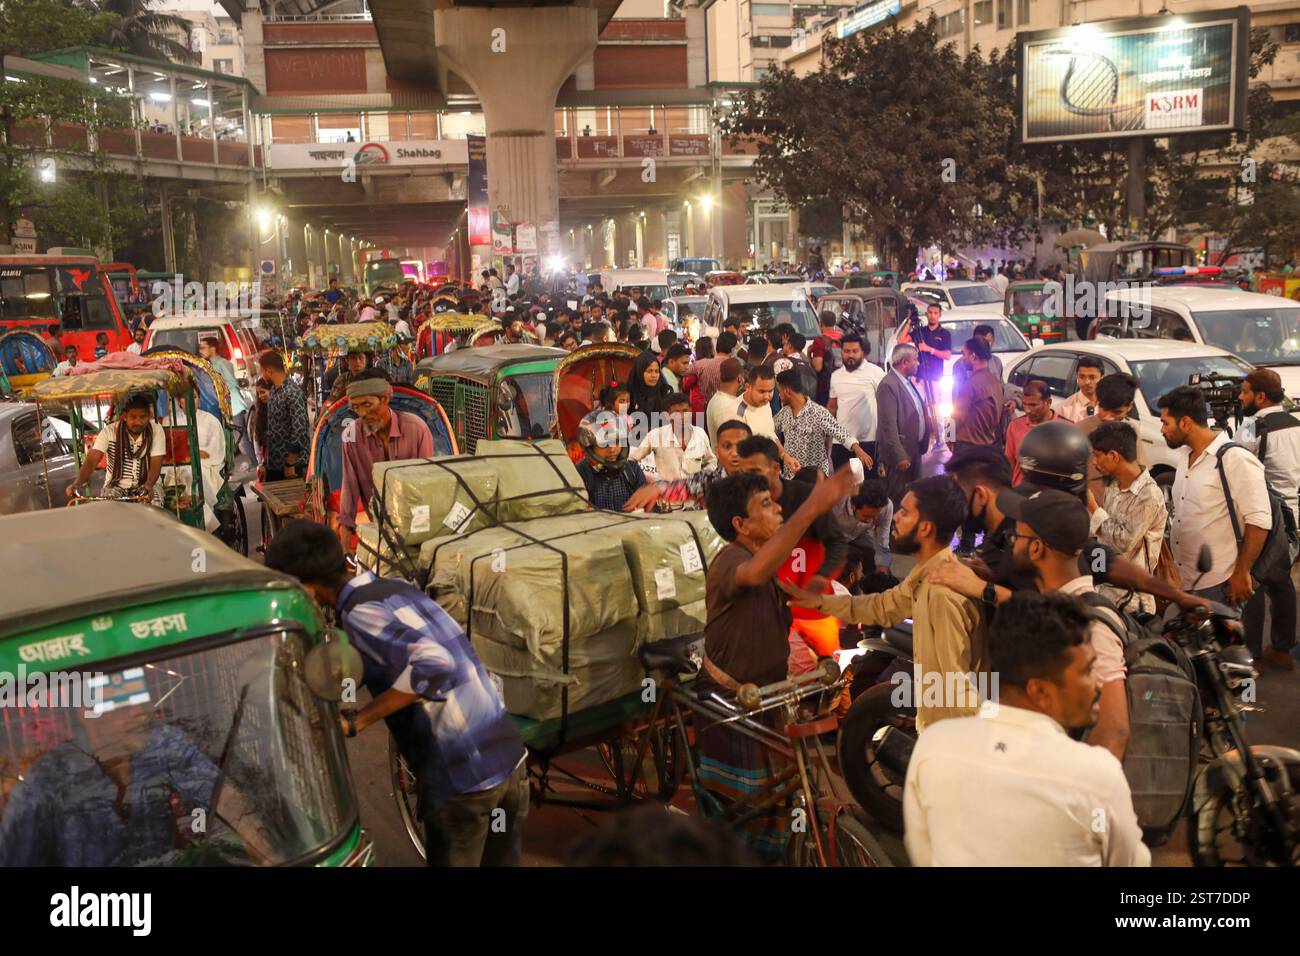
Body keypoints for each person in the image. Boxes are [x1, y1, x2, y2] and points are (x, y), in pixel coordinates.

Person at [264, 521, 528, 867]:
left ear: (305, 587)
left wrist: (359, 720)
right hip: (509, 758)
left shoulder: (360, 613)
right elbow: (383, 658)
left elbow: (434, 664)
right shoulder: (394, 587)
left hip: (465, 778)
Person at [903, 592, 1150, 867]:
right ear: (1040, 692)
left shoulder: (933, 745)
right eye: (1088, 670)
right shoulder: (1097, 775)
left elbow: (923, 852)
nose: (1099, 683)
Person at [697, 467, 856, 859]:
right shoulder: (732, 559)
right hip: (732, 704)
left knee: (780, 797)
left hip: (766, 699)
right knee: (743, 813)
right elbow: (753, 573)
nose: (779, 509)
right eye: (766, 505)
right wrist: (812, 507)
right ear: (741, 524)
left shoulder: (766, 560)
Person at [782, 475, 986, 731]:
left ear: (925, 528)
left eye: (904, 512)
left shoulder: (942, 593)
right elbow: (882, 606)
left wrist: (945, 743)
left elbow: (955, 685)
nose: (895, 518)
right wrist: (820, 601)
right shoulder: (928, 572)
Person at [993, 487, 1130, 761]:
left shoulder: (1091, 625)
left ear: (1036, 548)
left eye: (1015, 536)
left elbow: (1113, 731)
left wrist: (1070, 797)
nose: (1011, 544)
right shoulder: (1061, 608)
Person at [736, 435, 852, 669]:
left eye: (756, 472)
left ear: (776, 468)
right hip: (771, 611)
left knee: (833, 674)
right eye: (744, 473)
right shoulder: (743, 504)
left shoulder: (808, 497)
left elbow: (838, 542)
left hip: (814, 607)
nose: (750, 480)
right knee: (784, 677)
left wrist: (822, 576)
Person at [1160, 385, 1272, 605]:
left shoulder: (1236, 459)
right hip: (1184, 581)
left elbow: (1259, 521)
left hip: (1220, 584)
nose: (1162, 430)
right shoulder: (1185, 457)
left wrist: (1242, 571)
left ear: (1186, 423)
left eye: (1165, 423)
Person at [1235, 369, 1300, 668]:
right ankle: (1283, 647)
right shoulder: (1297, 424)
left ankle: (1252, 654)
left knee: (1253, 579)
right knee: (1282, 580)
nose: (1240, 397)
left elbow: (1237, 469)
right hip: (1294, 515)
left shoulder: (1251, 427)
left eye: (1245, 392)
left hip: (1266, 514)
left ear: (1260, 397)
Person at [337, 371, 436, 552]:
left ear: (385, 399)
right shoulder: (351, 436)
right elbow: (349, 491)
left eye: (368, 404)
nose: (363, 413)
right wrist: (343, 549)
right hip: (380, 530)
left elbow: (426, 490)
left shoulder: (417, 429)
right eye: (357, 407)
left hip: (418, 527)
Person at [1086, 422, 1167, 615]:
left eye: (1097, 455)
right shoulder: (1113, 484)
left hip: (1133, 601)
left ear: (1114, 456)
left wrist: (1092, 507)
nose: (1094, 462)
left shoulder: (1149, 496)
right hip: (1104, 591)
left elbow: (1123, 542)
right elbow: (1104, 539)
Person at [67, 391, 166, 502]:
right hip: (115, 486)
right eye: (133, 417)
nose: (138, 421)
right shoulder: (109, 432)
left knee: (154, 507)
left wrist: (149, 485)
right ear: (124, 416)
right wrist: (76, 484)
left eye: (142, 417)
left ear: (149, 416)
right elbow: (91, 460)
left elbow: (156, 464)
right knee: (110, 510)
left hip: (148, 484)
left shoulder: (157, 430)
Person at [773, 368, 872, 477]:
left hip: (815, 480)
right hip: (791, 478)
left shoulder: (818, 412)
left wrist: (858, 450)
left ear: (787, 392)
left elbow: (839, 431)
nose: (779, 395)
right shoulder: (784, 413)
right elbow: (769, 429)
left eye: (779, 391)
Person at [875, 344, 930, 506]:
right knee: (897, 501)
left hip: (915, 449)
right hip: (900, 455)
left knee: (913, 498)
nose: (918, 363)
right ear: (905, 362)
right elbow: (888, 424)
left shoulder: (906, 382)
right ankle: (894, 531)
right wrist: (899, 454)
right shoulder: (888, 385)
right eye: (915, 360)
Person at [1076, 373, 1144, 501]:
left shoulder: (1132, 431)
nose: (1108, 417)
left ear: (1129, 407)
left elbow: (1140, 475)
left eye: (1117, 412)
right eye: (1104, 409)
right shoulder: (1079, 431)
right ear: (1097, 401)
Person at [827, 334, 885, 472]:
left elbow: (886, 406)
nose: (850, 355)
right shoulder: (836, 376)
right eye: (846, 351)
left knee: (866, 489)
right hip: (841, 443)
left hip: (868, 442)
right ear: (841, 352)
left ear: (862, 353)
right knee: (843, 489)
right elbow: (832, 407)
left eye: (855, 351)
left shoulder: (876, 372)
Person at [629, 392, 716, 480]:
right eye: (676, 412)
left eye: (685, 411)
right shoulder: (656, 435)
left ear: (691, 411)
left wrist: (701, 478)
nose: (682, 416)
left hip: (695, 491)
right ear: (667, 416)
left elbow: (711, 462)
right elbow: (632, 459)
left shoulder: (700, 434)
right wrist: (643, 480)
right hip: (666, 491)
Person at [575, 411, 647, 511]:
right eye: (604, 443)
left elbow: (651, 510)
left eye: (617, 441)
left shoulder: (632, 469)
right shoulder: (579, 474)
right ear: (590, 447)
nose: (612, 449)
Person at [259, 349, 309, 482]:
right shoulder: (274, 392)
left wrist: (290, 463)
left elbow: (299, 431)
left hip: (292, 466)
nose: (261, 375)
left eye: (262, 371)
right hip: (275, 463)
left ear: (269, 371)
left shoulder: (292, 393)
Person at [830, 479, 893, 576]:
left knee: (877, 562)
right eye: (866, 516)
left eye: (875, 516)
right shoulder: (836, 502)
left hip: (858, 535)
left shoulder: (886, 507)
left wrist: (883, 566)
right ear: (853, 506)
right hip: (830, 536)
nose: (870, 521)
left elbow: (883, 541)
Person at [1004, 379, 1055, 485]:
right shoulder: (1015, 426)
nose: (1027, 410)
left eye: (1033, 405)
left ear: (1048, 402)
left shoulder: (1065, 427)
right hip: (1020, 493)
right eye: (1024, 404)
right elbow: (1010, 462)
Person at [809, 310, 843, 406]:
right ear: (834, 323)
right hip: (843, 382)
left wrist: (808, 355)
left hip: (825, 387)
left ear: (821, 323)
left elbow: (818, 367)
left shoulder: (819, 341)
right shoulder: (843, 338)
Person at [1056, 355, 1104, 424]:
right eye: (1082, 377)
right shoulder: (1064, 409)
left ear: (1102, 377)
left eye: (1092, 377)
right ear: (1076, 376)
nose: (1087, 382)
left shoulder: (1110, 404)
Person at [627, 351, 671, 420]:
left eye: (656, 371)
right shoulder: (629, 395)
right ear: (639, 372)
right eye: (649, 371)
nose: (654, 375)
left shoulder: (665, 391)